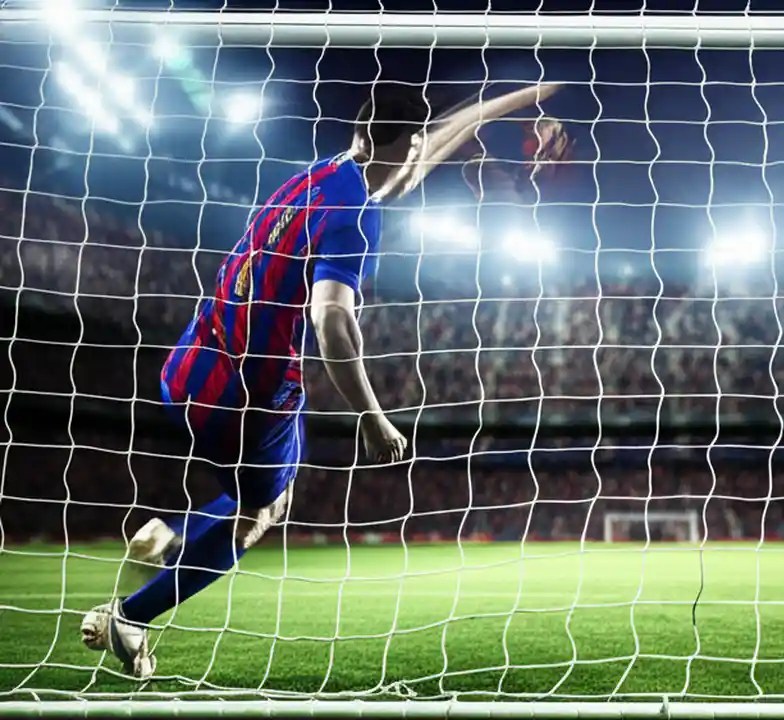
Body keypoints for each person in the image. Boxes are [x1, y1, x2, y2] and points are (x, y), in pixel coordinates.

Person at [80, 82, 566, 679]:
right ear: (406, 143)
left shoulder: (321, 175)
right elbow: (333, 323)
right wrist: (372, 416)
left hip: (188, 366)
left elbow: (421, 153)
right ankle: (132, 614)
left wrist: (528, 100)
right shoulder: (356, 215)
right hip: (252, 396)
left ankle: (172, 534)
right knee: (262, 514)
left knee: (257, 492)